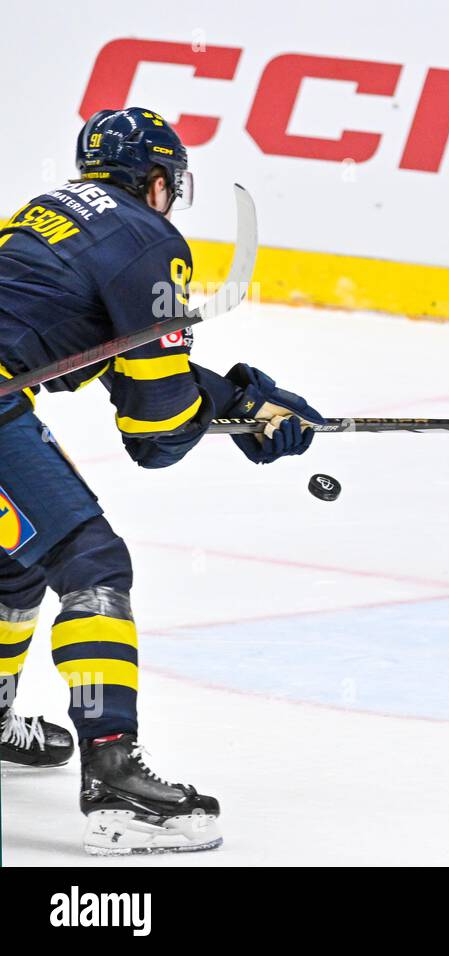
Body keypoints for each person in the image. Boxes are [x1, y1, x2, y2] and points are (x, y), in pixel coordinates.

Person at [0, 107, 320, 854]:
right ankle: (113, 778)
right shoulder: (152, 241)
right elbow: (154, 435)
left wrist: (243, 397)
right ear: (157, 182)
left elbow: (103, 357)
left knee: (17, 560)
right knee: (92, 564)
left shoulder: (47, 217)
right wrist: (237, 419)